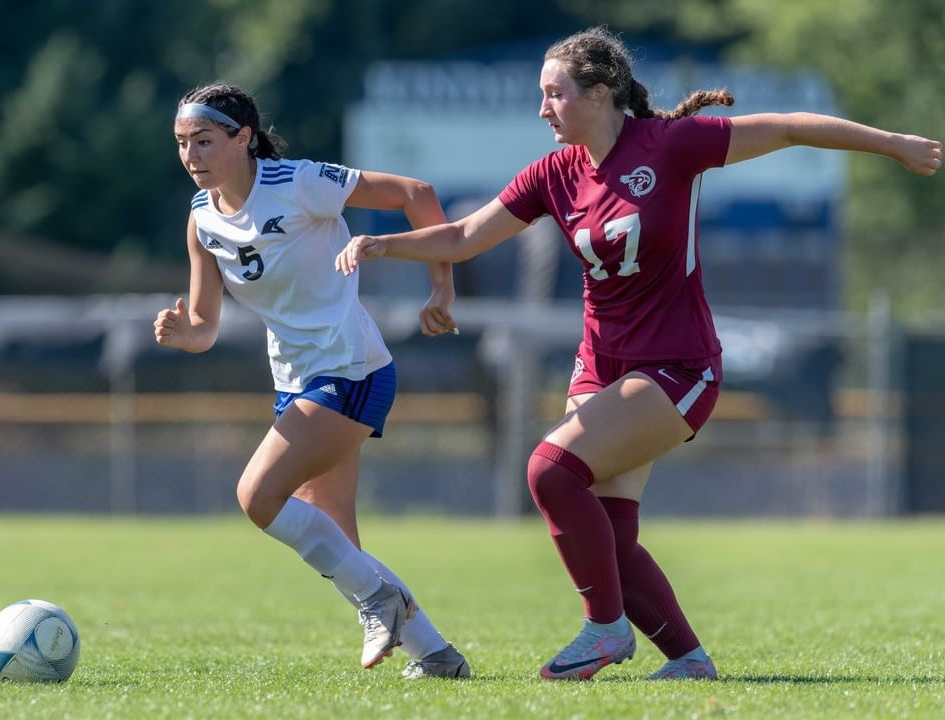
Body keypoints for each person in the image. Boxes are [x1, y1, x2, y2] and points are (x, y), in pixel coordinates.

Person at [336, 27, 942, 682]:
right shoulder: (555, 172)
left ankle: (604, 630)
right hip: (601, 363)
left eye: (555, 94)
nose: (543, 109)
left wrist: (895, 145)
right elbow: (460, 236)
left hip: (677, 366)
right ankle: (688, 659)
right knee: (612, 538)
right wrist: (382, 246)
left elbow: (791, 128)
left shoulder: (671, 146)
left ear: (600, 94)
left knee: (548, 471)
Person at [154, 82, 470, 679]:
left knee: (256, 495)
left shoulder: (297, 181)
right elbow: (204, 326)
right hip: (297, 382)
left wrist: (442, 286)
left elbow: (415, 193)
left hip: (351, 368)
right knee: (341, 543)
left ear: (243, 138)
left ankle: (382, 604)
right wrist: (181, 332)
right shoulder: (200, 219)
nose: (191, 155)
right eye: (181, 143)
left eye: (204, 140)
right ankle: (436, 655)